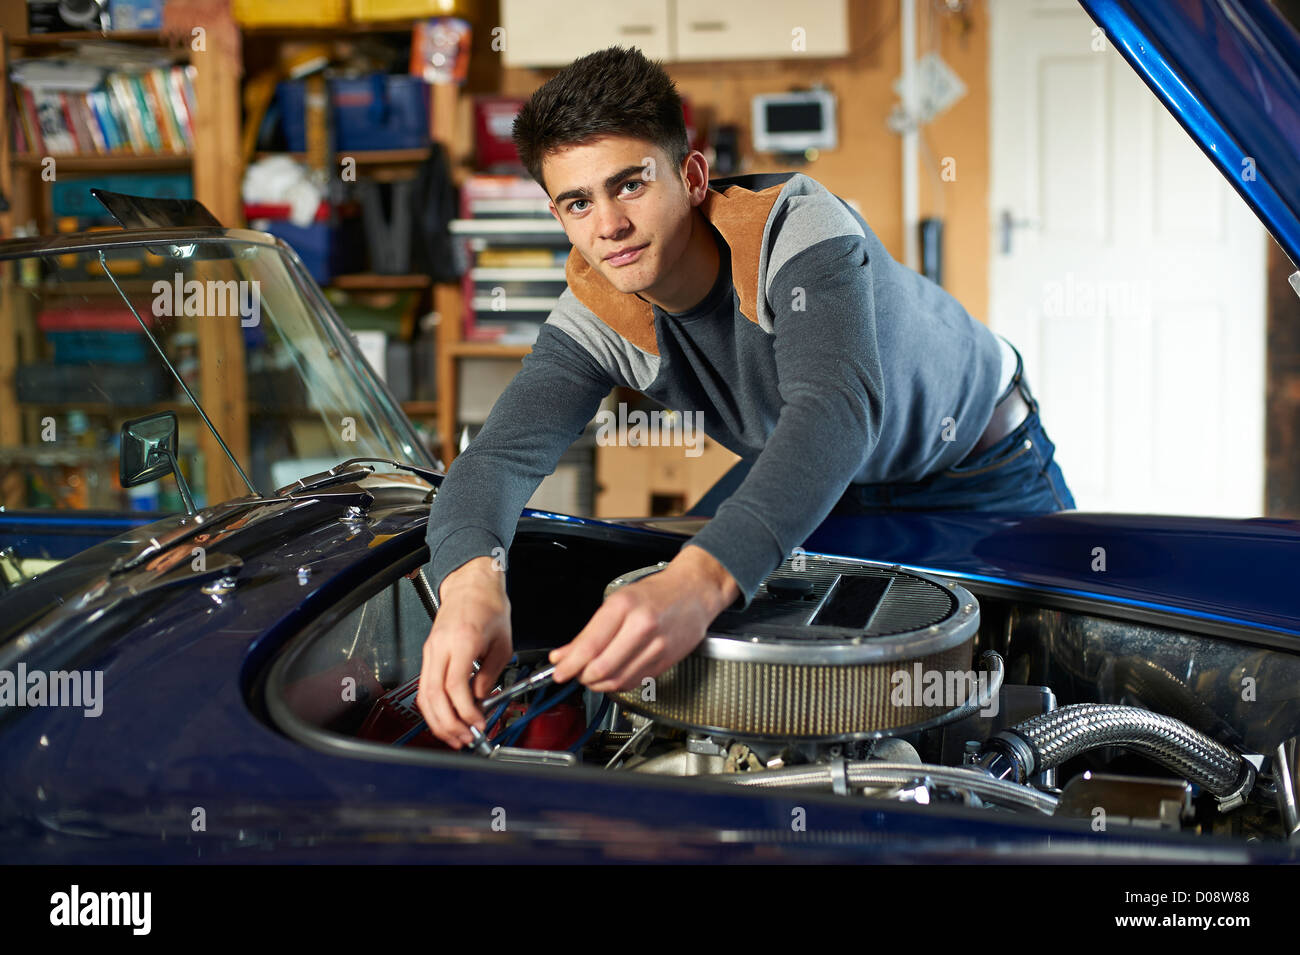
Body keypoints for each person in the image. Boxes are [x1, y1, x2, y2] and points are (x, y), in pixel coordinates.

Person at [416, 45, 1074, 749]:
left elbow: (837, 412)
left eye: (630, 184)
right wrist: (468, 585)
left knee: (1044, 675)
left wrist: (698, 582)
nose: (607, 226)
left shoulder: (796, 228)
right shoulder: (598, 312)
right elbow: (495, 461)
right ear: (559, 215)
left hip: (978, 464)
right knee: (698, 656)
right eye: (579, 202)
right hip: (828, 473)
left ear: (693, 175)